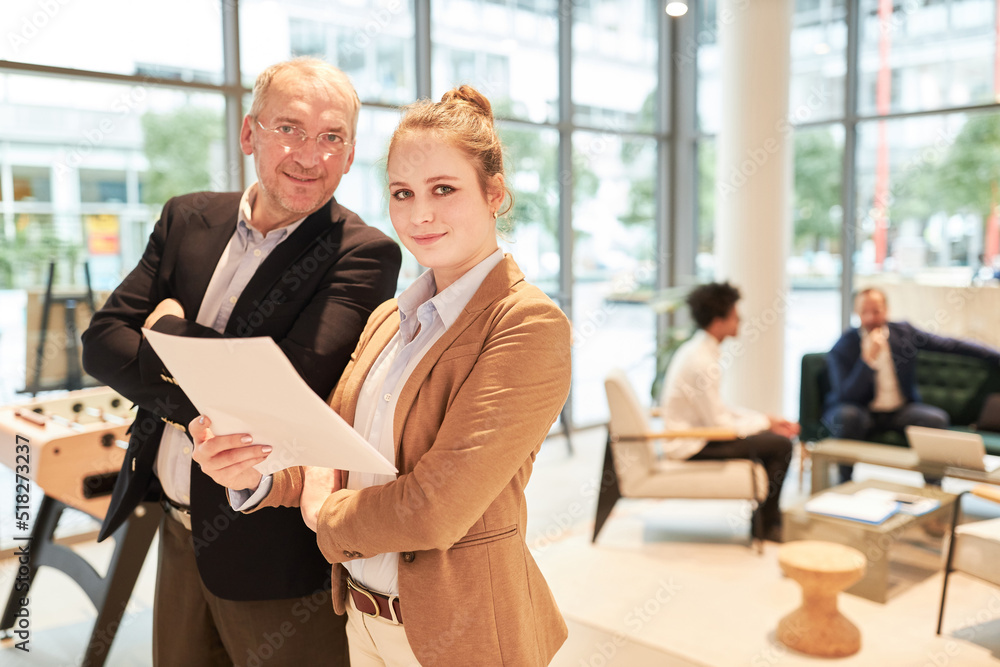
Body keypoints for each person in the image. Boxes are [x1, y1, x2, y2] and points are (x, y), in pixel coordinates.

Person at [189, 85, 572, 666]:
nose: (419, 214)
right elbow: (331, 456)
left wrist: (325, 515)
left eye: (444, 189)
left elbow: (436, 507)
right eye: (402, 192)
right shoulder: (389, 319)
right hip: (362, 619)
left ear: (494, 193)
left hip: (460, 637)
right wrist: (254, 473)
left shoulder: (525, 324)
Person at [81, 57, 401, 666]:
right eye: (290, 129)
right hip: (176, 528)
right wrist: (206, 407)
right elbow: (101, 342)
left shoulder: (362, 254)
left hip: (271, 556)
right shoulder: (186, 218)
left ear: (351, 155)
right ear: (250, 133)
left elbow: (288, 386)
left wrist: (164, 330)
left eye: (331, 137)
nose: (310, 155)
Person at [659, 282, 797, 543]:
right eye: (735, 315)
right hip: (691, 444)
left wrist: (766, 420)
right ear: (718, 322)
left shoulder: (699, 351)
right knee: (781, 446)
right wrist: (764, 423)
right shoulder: (701, 361)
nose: (740, 320)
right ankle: (766, 526)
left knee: (772, 440)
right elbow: (720, 427)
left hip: (698, 435)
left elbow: (719, 411)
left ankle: (765, 521)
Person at [823, 287, 1000, 482]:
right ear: (856, 312)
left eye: (876, 311)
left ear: (886, 310)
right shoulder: (843, 346)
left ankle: (934, 488)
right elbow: (847, 395)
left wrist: (996, 355)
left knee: (935, 419)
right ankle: (844, 482)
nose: (871, 318)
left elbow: (951, 345)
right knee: (847, 417)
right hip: (860, 410)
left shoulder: (904, 333)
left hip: (899, 411)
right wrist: (867, 362)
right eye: (865, 312)